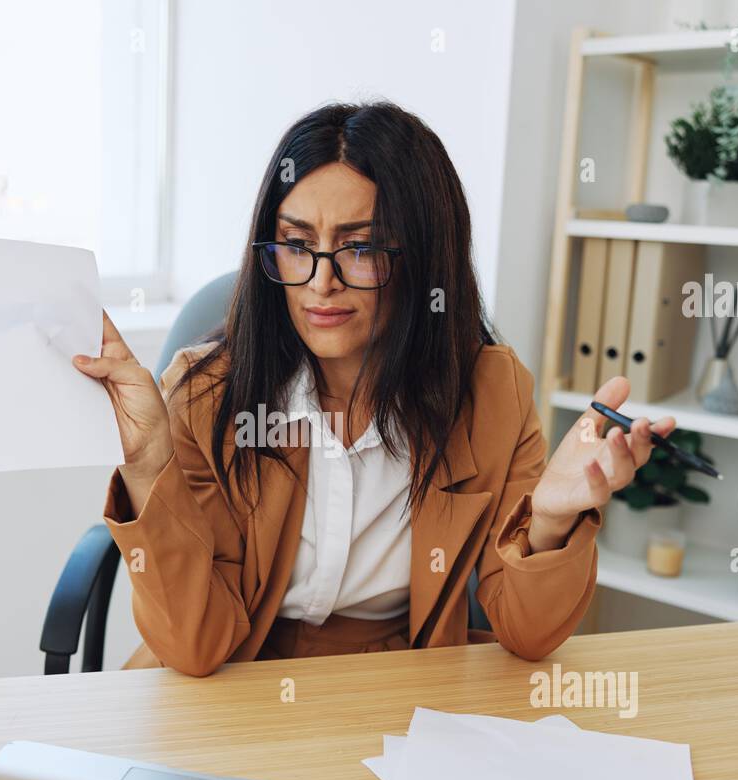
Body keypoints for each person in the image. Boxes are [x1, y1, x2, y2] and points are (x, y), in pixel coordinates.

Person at [74, 101, 673, 676]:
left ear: (426, 257)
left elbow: (527, 633)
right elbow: (196, 645)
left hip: (400, 678)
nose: (322, 283)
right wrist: (149, 462)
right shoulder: (207, 396)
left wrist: (548, 520)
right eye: (297, 245)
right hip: (237, 670)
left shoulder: (494, 393)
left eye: (359, 248)